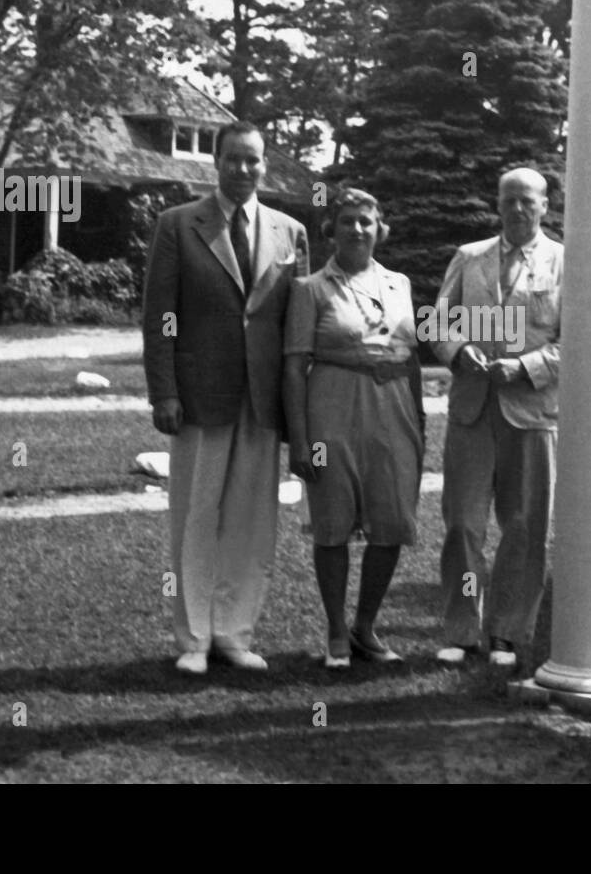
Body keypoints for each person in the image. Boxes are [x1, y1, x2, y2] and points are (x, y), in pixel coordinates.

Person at [142, 122, 309, 676]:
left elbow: (297, 327)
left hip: (262, 400)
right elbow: (160, 317)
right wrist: (163, 390)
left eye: (253, 160)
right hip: (199, 396)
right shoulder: (178, 225)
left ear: (265, 166)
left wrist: (297, 405)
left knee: (251, 520)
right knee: (197, 515)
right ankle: (193, 638)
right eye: (233, 159)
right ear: (215, 163)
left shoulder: (291, 232)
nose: (243, 169)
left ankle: (234, 632)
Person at [283, 188, 424, 669]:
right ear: (331, 230)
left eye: (367, 220)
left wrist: (418, 421)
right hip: (332, 409)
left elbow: (414, 356)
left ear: (380, 227)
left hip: (394, 408)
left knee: (390, 520)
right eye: (347, 221)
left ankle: (366, 626)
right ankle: (337, 630)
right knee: (333, 519)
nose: (358, 229)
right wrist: (300, 440)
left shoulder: (400, 283)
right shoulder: (311, 289)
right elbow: (293, 366)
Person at [433, 167, 562, 669]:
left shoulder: (565, 263)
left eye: (527, 201)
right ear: (498, 204)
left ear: (544, 205)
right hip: (473, 409)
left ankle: (508, 632)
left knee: (524, 526)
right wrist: (458, 351)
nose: (517, 209)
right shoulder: (470, 258)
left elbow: (575, 344)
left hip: (530, 413)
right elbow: (437, 322)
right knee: (462, 525)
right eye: (508, 200)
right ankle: (462, 630)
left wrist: (526, 367)